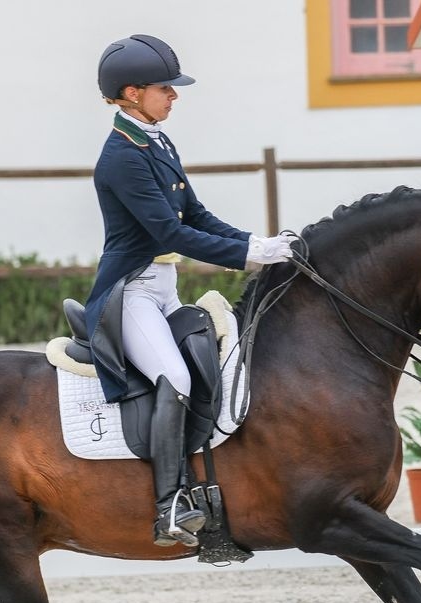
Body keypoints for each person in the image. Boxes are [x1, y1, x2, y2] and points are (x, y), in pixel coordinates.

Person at [85, 34, 294, 547]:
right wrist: (249, 257)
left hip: (165, 288)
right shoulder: (122, 157)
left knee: (223, 365)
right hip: (131, 293)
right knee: (175, 377)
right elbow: (169, 233)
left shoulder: (156, 140)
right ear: (132, 93)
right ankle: (170, 505)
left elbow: (194, 214)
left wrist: (255, 240)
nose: (174, 96)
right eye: (165, 89)